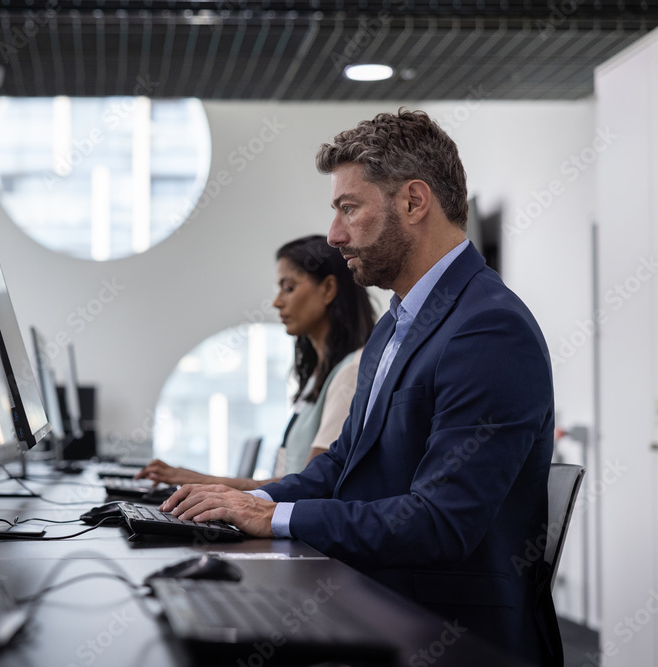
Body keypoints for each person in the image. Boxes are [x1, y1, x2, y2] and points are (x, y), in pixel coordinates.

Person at [159, 109, 560, 666]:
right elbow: (343, 464)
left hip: (448, 637)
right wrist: (248, 502)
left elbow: (440, 523)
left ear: (414, 202)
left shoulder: (489, 329)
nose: (334, 234)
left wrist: (274, 518)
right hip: (377, 603)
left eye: (350, 208)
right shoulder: (397, 321)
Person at [136, 235, 375, 490]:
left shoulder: (351, 371)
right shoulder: (319, 377)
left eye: (289, 288)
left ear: (328, 289)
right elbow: (287, 477)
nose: (276, 302)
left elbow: (311, 486)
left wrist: (201, 481)